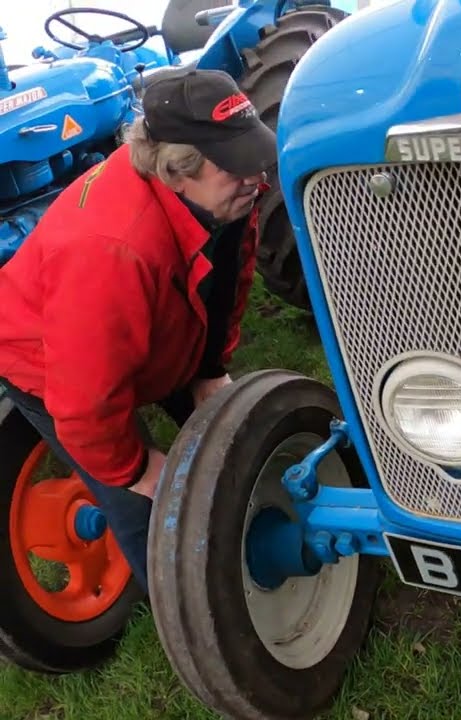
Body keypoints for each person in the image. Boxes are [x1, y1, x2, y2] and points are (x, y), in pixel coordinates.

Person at [0, 69, 275, 595]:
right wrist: (139, 471)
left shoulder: (227, 197)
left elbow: (225, 289)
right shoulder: (110, 253)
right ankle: (197, 618)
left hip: (150, 332)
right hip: (44, 360)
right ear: (176, 171)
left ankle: (251, 524)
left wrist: (209, 370)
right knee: (146, 510)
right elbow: (84, 409)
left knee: (232, 427)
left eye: (255, 157)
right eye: (237, 165)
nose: (256, 179)